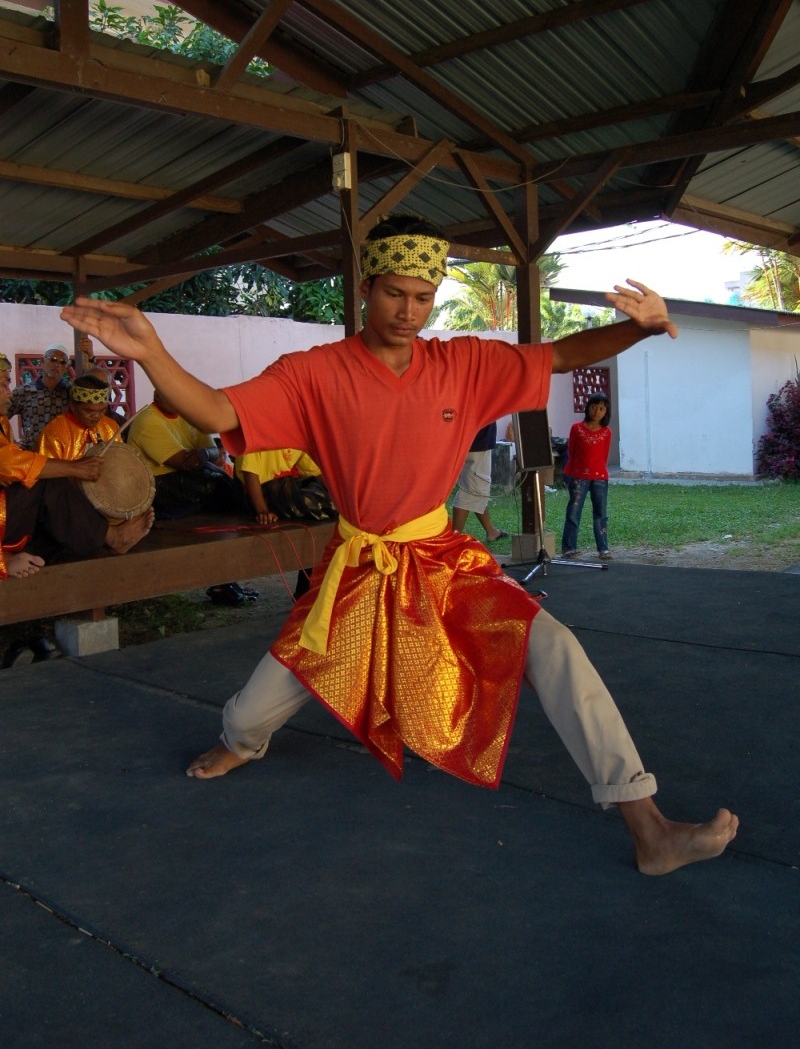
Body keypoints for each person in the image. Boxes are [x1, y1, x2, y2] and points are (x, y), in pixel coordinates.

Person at [60, 216, 738, 875]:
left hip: (445, 563)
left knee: (553, 646)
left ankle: (649, 826)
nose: (408, 310)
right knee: (254, 709)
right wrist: (150, 353)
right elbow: (216, 411)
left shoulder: (464, 365)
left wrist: (637, 329)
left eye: (422, 296)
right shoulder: (314, 372)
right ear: (366, 288)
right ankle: (239, 741)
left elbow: (559, 355)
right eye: (393, 292)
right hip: (359, 568)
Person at [0, 354, 153, 580]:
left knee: (61, 522)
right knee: (53, 486)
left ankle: (25, 553)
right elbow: (8, 463)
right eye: (3, 384)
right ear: (73, 406)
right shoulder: (55, 431)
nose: (9, 392)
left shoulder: (2, 422)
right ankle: (111, 537)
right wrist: (74, 469)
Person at [127, 391, 242, 519]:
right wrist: (204, 455)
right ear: (157, 396)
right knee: (214, 487)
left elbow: (214, 452)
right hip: (153, 482)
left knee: (225, 481)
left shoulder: (189, 415)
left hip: (188, 471)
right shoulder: (148, 420)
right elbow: (185, 462)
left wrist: (205, 453)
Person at [235, 448, 333, 598]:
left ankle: (306, 590)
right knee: (316, 505)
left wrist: (337, 493)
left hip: (287, 488)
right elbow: (250, 474)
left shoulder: (293, 432)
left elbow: (315, 472)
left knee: (330, 507)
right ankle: (306, 593)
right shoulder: (257, 432)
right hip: (264, 493)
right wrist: (262, 511)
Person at [560, 393, 613, 561]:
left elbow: (604, 456)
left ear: (606, 412)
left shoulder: (607, 432)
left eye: (601, 409)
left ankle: (603, 548)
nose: (597, 411)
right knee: (574, 512)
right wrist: (568, 475)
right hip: (578, 477)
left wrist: (600, 473)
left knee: (600, 513)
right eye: (594, 407)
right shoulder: (577, 428)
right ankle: (569, 548)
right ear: (587, 407)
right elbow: (572, 453)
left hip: (599, 478)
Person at [7, 342, 73, 450]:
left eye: (63, 362)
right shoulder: (23, 391)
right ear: (42, 361)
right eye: (53, 359)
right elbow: (2, 415)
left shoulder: (71, 393)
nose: (57, 364)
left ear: (66, 367)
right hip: (32, 456)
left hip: (64, 456)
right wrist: (10, 444)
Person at [36, 375, 120, 459]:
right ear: (72, 406)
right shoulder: (54, 432)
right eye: (89, 411)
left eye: (102, 410)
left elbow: (120, 461)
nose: (96, 416)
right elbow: (48, 469)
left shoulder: (111, 427)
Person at [451, 422, 509, 544]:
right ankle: (453, 540)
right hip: (477, 439)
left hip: (468, 437)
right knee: (472, 490)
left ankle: (491, 531)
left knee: (476, 487)